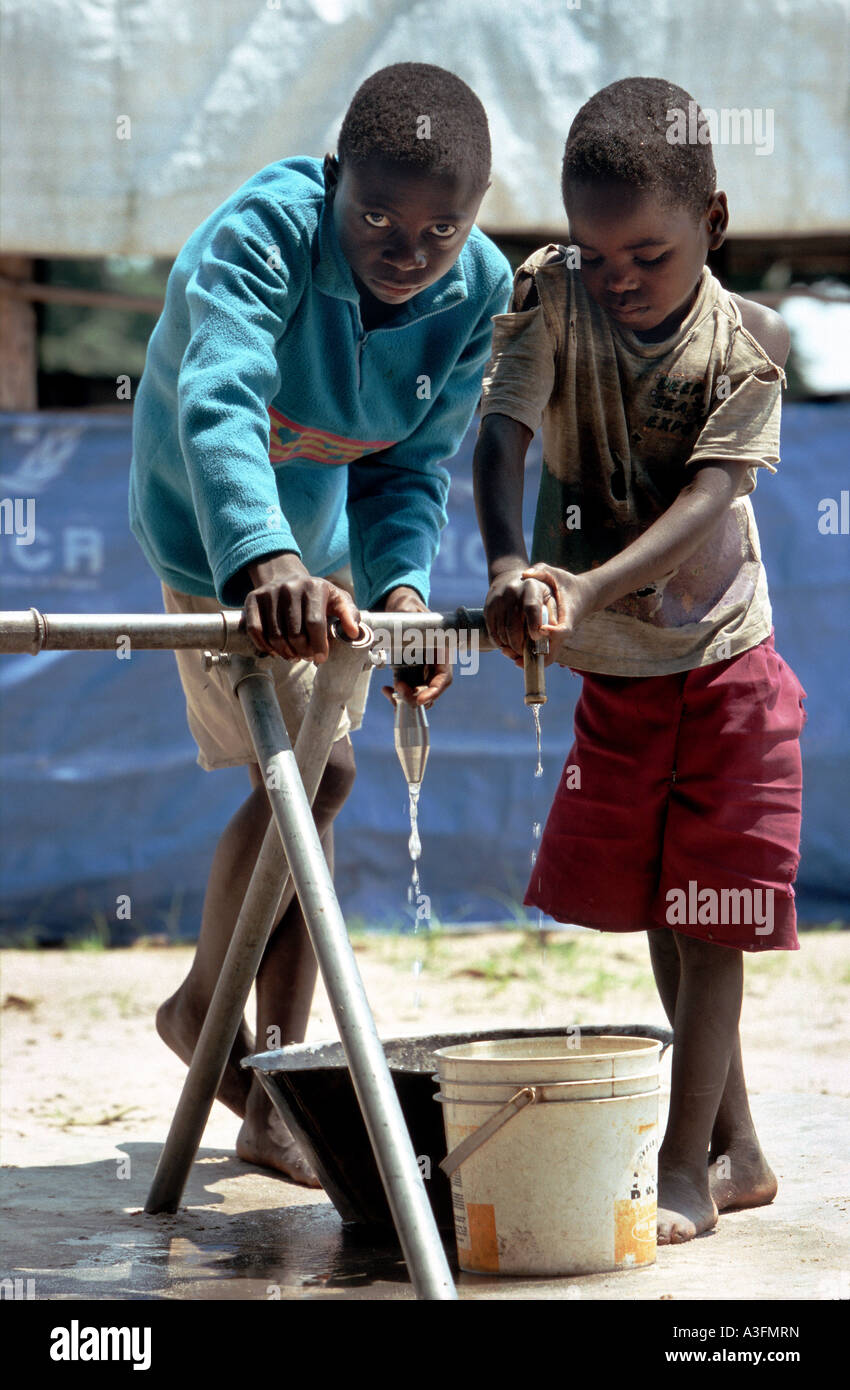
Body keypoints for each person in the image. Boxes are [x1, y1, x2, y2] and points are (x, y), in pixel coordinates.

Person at [129, 62, 512, 1182]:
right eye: (379, 217)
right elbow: (221, 401)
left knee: (317, 781)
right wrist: (261, 557)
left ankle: (258, 1067)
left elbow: (410, 464)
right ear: (336, 179)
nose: (408, 249)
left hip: (324, 564)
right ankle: (226, 1029)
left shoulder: (476, 293)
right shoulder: (262, 232)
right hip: (214, 538)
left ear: (477, 218)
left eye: (443, 227)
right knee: (310, 780)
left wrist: (399, 595)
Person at [473, 77, 806, 1243]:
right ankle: (742, 1151)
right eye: (595, 251)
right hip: (618, 671)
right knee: (667, 901)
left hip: (722, 664)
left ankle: (682, 1167)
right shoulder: (550, 298)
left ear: (713, 223)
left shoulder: (746, 344)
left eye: (648, 255)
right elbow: (502, 430)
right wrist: (512, 561)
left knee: (710, 910)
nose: (617, 279)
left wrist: (581, 585)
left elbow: (712, 496)